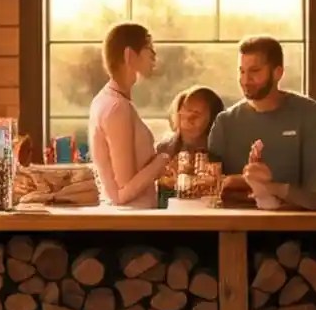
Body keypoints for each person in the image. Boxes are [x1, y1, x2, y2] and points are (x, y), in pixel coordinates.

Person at [206, 35, 316, 210]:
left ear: (277, 73)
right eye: (242, 71)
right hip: (232, 227)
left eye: (255, 71)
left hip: (295, 227)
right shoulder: (225, 122)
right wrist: (243, 180)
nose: (245, 80)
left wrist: (270, 186)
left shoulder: (309, 114)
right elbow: (210, 192)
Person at [87, 22, 173, 208]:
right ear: (129, 55)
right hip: (130, 222)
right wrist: (161, 161)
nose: (154, 56)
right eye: (149, 48)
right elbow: (121, 192)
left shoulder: (108, 100)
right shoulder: (117, 107)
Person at [156, 85, 225, 154]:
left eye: (196, 115)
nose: (187, 121)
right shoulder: (163, 150)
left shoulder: (225, 154)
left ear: (213, 120)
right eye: (183, 114)